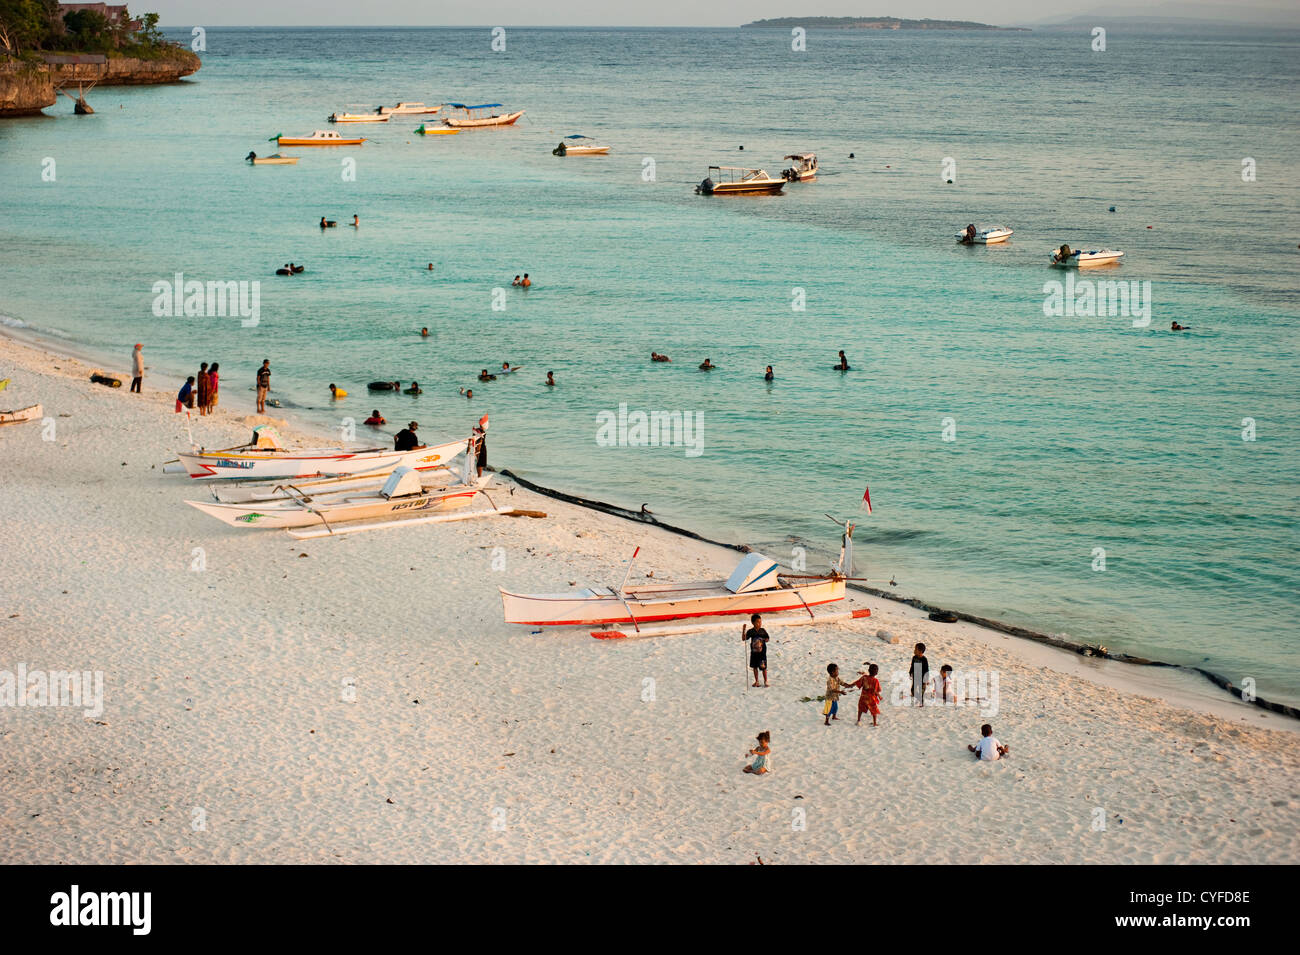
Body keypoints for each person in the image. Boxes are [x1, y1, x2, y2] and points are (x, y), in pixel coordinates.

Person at [742, 613, 769, 687]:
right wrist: (743, 630)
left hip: (762, 652)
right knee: (755, 667)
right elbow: (744, 638)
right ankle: (756, 681)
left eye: (760, 622)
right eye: (757, 622)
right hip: (754, 652)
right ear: (753, 623)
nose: (759, 623)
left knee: (763, 667)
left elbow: (767, 638)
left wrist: (764, 640)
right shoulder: (751, 631)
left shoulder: (762, 630)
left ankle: (765, 681)